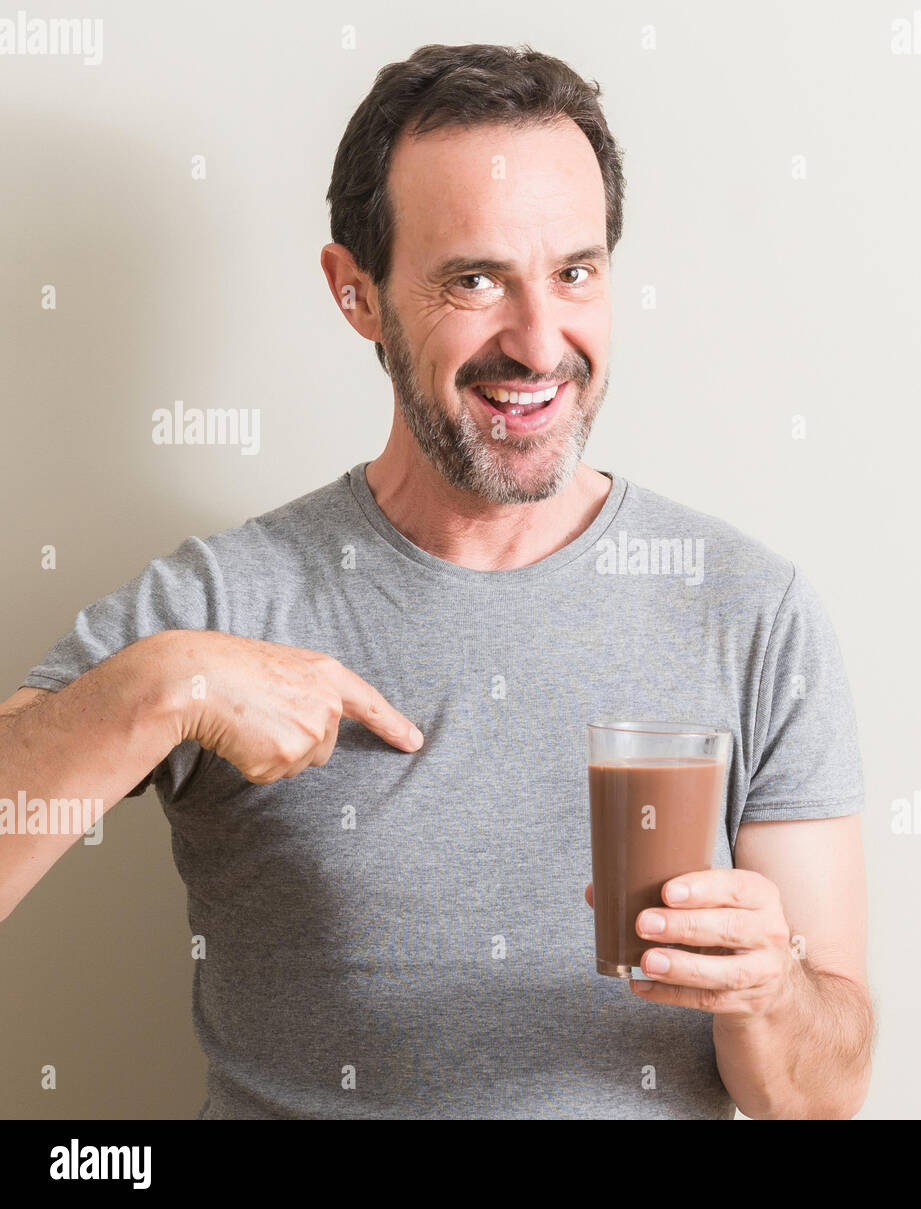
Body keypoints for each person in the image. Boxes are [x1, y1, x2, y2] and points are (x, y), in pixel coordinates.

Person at [0, 42, 873, 1120]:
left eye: (575, 272)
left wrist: (768, 991)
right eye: (474, 279)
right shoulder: (226, 603)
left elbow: (823, 1096)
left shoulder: (751, 611)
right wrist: (159, 686)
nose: (541, 341)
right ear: (355, 293)